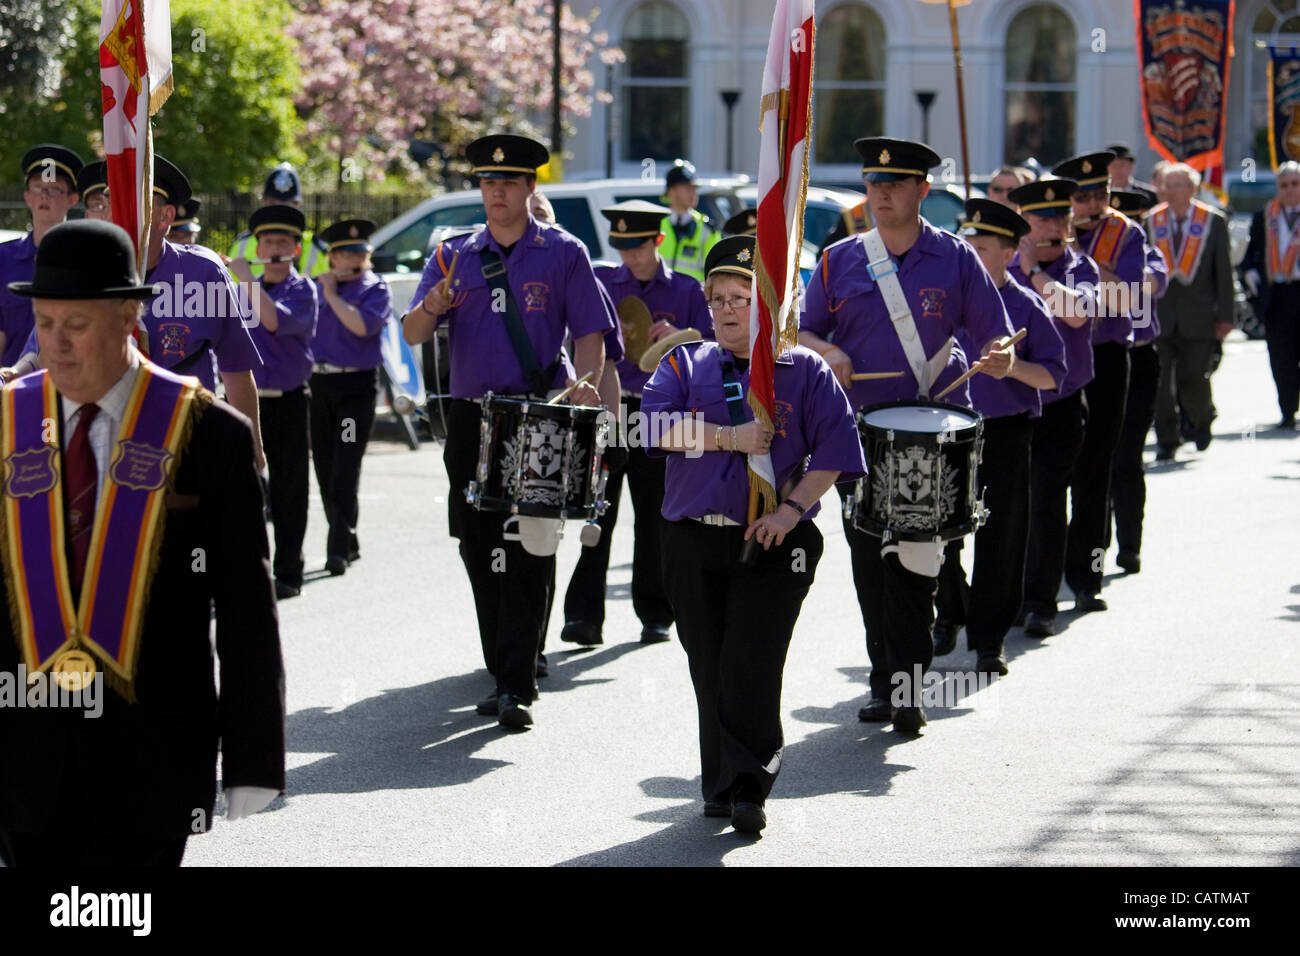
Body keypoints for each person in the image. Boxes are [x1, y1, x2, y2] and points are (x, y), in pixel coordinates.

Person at [0, 219, 285, 867]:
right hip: (23, 758)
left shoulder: (212, 436)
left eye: (76, 324)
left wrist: (252, 759)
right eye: (44, 323)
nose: (56, 346)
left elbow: (245, 614)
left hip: (154, 760)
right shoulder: (7, 426)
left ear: (130, 316)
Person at [643, 235, 866, 833]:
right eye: (716, 298)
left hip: (773, 539)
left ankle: (750, 787)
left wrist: (791, 511)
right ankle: (719, 782)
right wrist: (725, 438)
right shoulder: (683, 363)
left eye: (740, 297)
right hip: (694, 538)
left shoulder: (803, 369)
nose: (725, 310)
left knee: (752, 659)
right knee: (709, 665)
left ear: (766, 304)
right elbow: (652, 428)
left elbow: (837, 452)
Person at [799, 136, 1016, 730]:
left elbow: (991, 333)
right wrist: (829, 351)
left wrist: (997, 354)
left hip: (936, 433)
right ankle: (882, 681)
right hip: (857, 434)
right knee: (870, 563)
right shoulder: (840, 258)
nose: (882, 193)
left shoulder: (955, 258)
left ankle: (908, 686)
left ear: (923, 190)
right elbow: (801, 334)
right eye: (874, 183)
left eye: (895, 185)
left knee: (919, 563)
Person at [401, 134, 610, 730]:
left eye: (509, 182)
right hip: (472, 416)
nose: (496, 191)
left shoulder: (564, 251)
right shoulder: (452, 254)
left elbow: (590, 331)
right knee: (479, 545)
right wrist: (435, 303)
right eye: (488, 182)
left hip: (539, 412)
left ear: (529, 189)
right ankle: (503, 667)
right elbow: (413, 333)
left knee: (531, 542)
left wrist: (589, 384)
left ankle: (516, 682)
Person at [560, 200, 712, 648]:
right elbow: (577, 337)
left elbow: (712, 353)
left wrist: (681, 335)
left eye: (639, 247)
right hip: (611, 409)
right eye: (623, 246)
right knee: (597, 511)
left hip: (659, 414)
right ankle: (584, 616)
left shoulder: (686, 290)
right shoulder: (602, 280)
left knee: (654, 518)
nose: (631, 256)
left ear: (658, 241)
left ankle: (656, 612)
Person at [932, 200, 1066, 675]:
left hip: (1005, 431)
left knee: (1001, 534)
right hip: (947, 429)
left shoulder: (1025, 303)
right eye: (966, 243)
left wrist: (1013, 367)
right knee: (936, 529)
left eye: (981, 247)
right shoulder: (943, 295)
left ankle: (989, 638)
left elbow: (1053, 376)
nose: (969, 253)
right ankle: (948, 613)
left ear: (1009, 254)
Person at [1052, 150, 1154, 610]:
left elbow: (1130, 298)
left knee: (1097, 470)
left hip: (1108, 356)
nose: (1093, 205)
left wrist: (1086, 268)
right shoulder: (1050, 233)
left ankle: (1088, 577)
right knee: (1052, 472)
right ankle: (1044, 575)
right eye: (1084, 197)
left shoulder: (1125, 233)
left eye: (1101, 194)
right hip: (1058, 361)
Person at [1007, 177, 1100, 638]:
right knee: (1009, 507)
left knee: (1046, 502)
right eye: (1042, 218)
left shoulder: (1080, 267)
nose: (1052, 226)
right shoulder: (998, 269)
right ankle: (1007, 599)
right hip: (1011, 405)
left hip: (1061, 405)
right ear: (1023, 221)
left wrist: (1033, 275)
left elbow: (1077, 314)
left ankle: (1041, 603)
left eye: (1060, 217)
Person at [230, 205, 319, 599]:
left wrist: (247, 279)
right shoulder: (238, 289)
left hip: (287, 403)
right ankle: (250, 570)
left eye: (283, 241)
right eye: (267, 241)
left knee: (289, 490)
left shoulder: (304, 290)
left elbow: (272, 321)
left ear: (296, 249)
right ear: (258, 245)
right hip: (245, 402)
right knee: (244, 490)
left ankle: (288, 572)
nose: (275, 247)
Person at [309, 218, 391, 576]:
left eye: (359, 253)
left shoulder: (375, 288)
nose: (353, 260)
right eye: (345, 254)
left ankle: (337, 547)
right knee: (325, 468)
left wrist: (331, 296)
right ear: (332, 258)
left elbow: (362, 326)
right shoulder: (314, 288)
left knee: (345, 467)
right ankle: (348, 537)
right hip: (319, 386)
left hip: (355, 388)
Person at [1147, 163, 1234, 456]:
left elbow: (1223, 272)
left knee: (1193, 378)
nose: (1170, 191)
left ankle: (1202, 416)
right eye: (1166, 185)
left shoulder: (1212, 221)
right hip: (1159, 316)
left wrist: (1226, 316)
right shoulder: (1151, 221)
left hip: (1198, 317)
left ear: (1192, 189)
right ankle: (1167, 439)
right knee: (1159, 384)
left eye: (1177, 185)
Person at [1108, 187, 1170, 573]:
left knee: (1128, 456)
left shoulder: (1149, 255)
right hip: (1103, 358)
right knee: (1095, 459)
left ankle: (1129, 545)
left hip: (1140, 358)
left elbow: (1146, 286)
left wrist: (1108, 267)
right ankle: (1086, 549)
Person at [0, 144, 83, 367]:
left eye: (54, 189)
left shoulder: (85, 259)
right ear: (27, 197)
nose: (44, 196)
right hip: (11, 388)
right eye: (38, 188)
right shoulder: (3, 258)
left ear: (73, 199)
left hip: (69, 387)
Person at [1239, 160, 1300, 431]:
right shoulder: (1265, 216)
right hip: (1277, 297)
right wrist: (1250, 272)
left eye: (1295, 184)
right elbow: (1250, 256)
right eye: (1284, 185)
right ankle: (1287, 411)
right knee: (1281, 357)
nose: (1289, 190)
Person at [227, 163, 329, 277]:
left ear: (297, 205)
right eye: (272, 203)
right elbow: (233, 292)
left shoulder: (315, 247)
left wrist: (248, 281)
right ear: (264, 203)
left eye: (286, 204)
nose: (278, 209)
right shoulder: (242, 244)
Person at [659, 159, 720, 283]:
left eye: (694, 189)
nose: (693, 193)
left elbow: (715, 273)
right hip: (660, 297)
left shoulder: (707, 229)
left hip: (693, 298)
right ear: (671, 191)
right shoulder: (655, 225)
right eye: (687, 188)